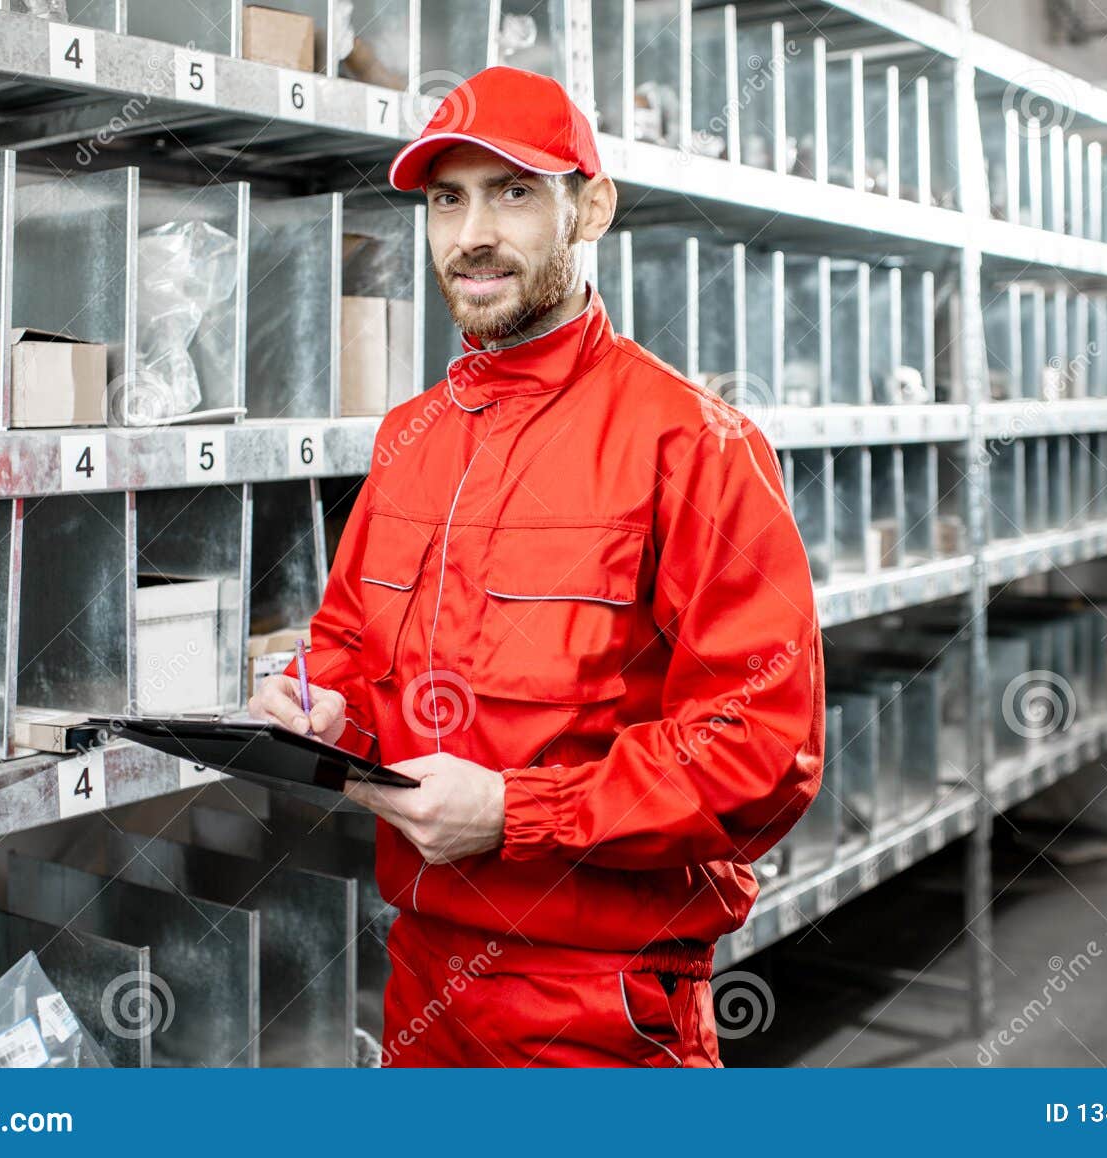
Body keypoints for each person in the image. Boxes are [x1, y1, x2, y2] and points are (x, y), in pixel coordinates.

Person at [249, 65, 824, 1067]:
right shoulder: (409, 440)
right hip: (423, 982)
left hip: (599, 1006)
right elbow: (347, 648)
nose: (473, 233)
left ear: (589, 207)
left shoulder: (690, 443)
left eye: (512, 192)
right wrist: (323, 708)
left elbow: (761, 755)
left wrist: (517, 814)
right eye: (446, 199)